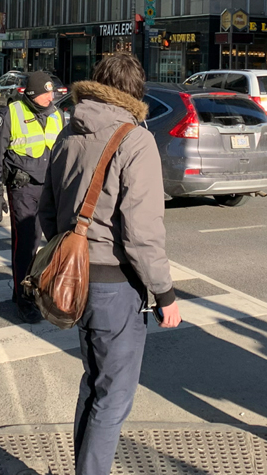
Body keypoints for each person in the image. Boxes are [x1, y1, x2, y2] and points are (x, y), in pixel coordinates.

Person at [38, 54, 180, 475]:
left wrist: (70, 254)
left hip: (75, 280)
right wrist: (166, 293)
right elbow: (142, 231)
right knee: (114, 396)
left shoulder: (69, 132)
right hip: (116, 287)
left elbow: (47, 210)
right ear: (137, 93)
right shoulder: (135, 139)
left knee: (94, 384)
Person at [0, 71, 64, 323]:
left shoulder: (57, 115)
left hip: (51, 191)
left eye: (51, 92)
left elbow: (65, 154)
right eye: (45, 93)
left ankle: (40, 290)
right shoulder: (11, 114)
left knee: (52, 245)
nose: (50, 97)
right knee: (26, 245)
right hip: (23, 190)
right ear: (32, 94)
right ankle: (22, 298)